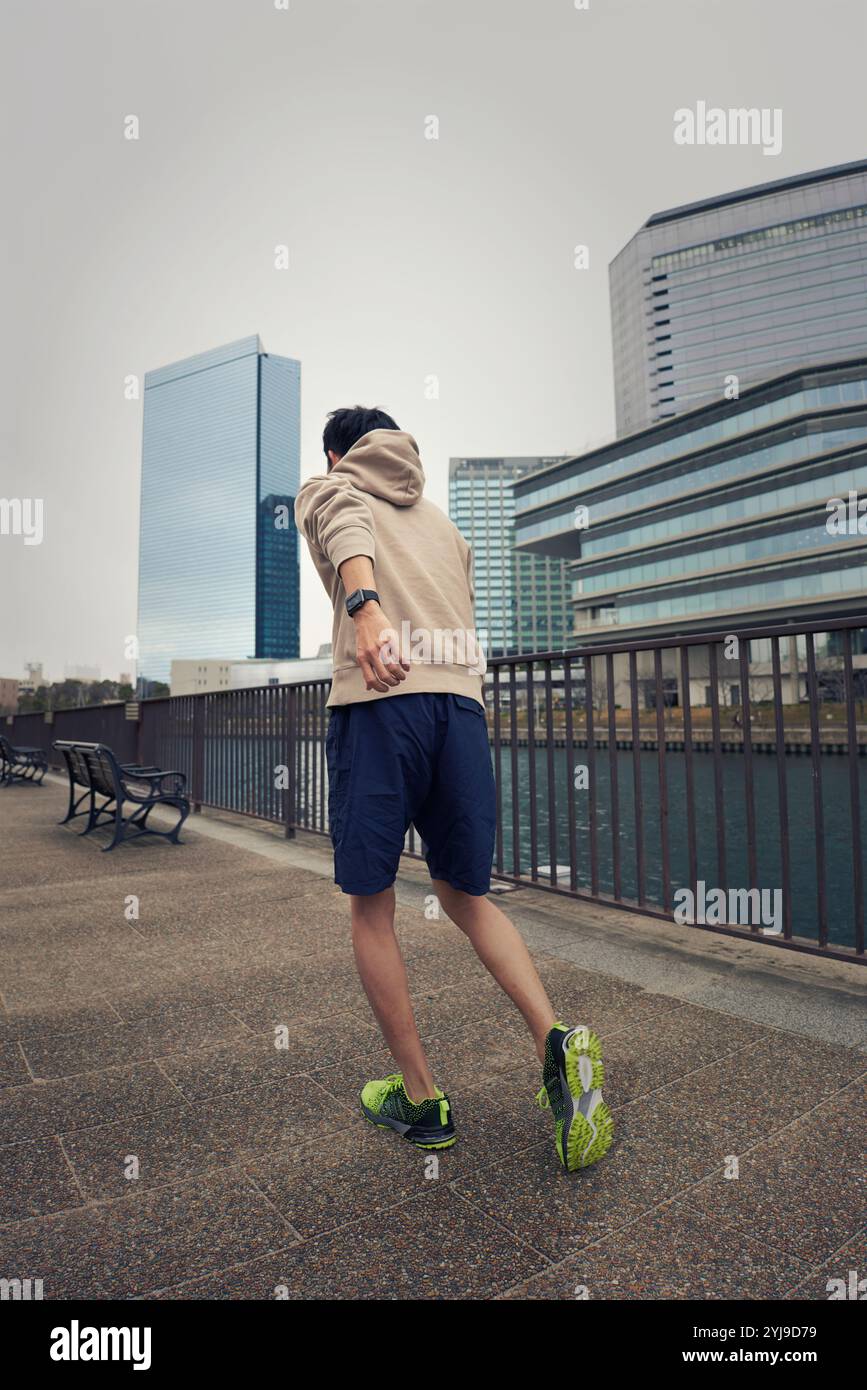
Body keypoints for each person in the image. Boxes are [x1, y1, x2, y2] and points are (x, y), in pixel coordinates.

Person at [295, 406, 613, 1171]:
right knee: (468, 893)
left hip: (381, 706)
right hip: (460, 714)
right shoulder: (444, 525)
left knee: (371, 907)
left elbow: (343, 527)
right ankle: (554, 1043)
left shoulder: (330, 486)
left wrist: (365, 611)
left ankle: (421, 1098)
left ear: (338, 452)